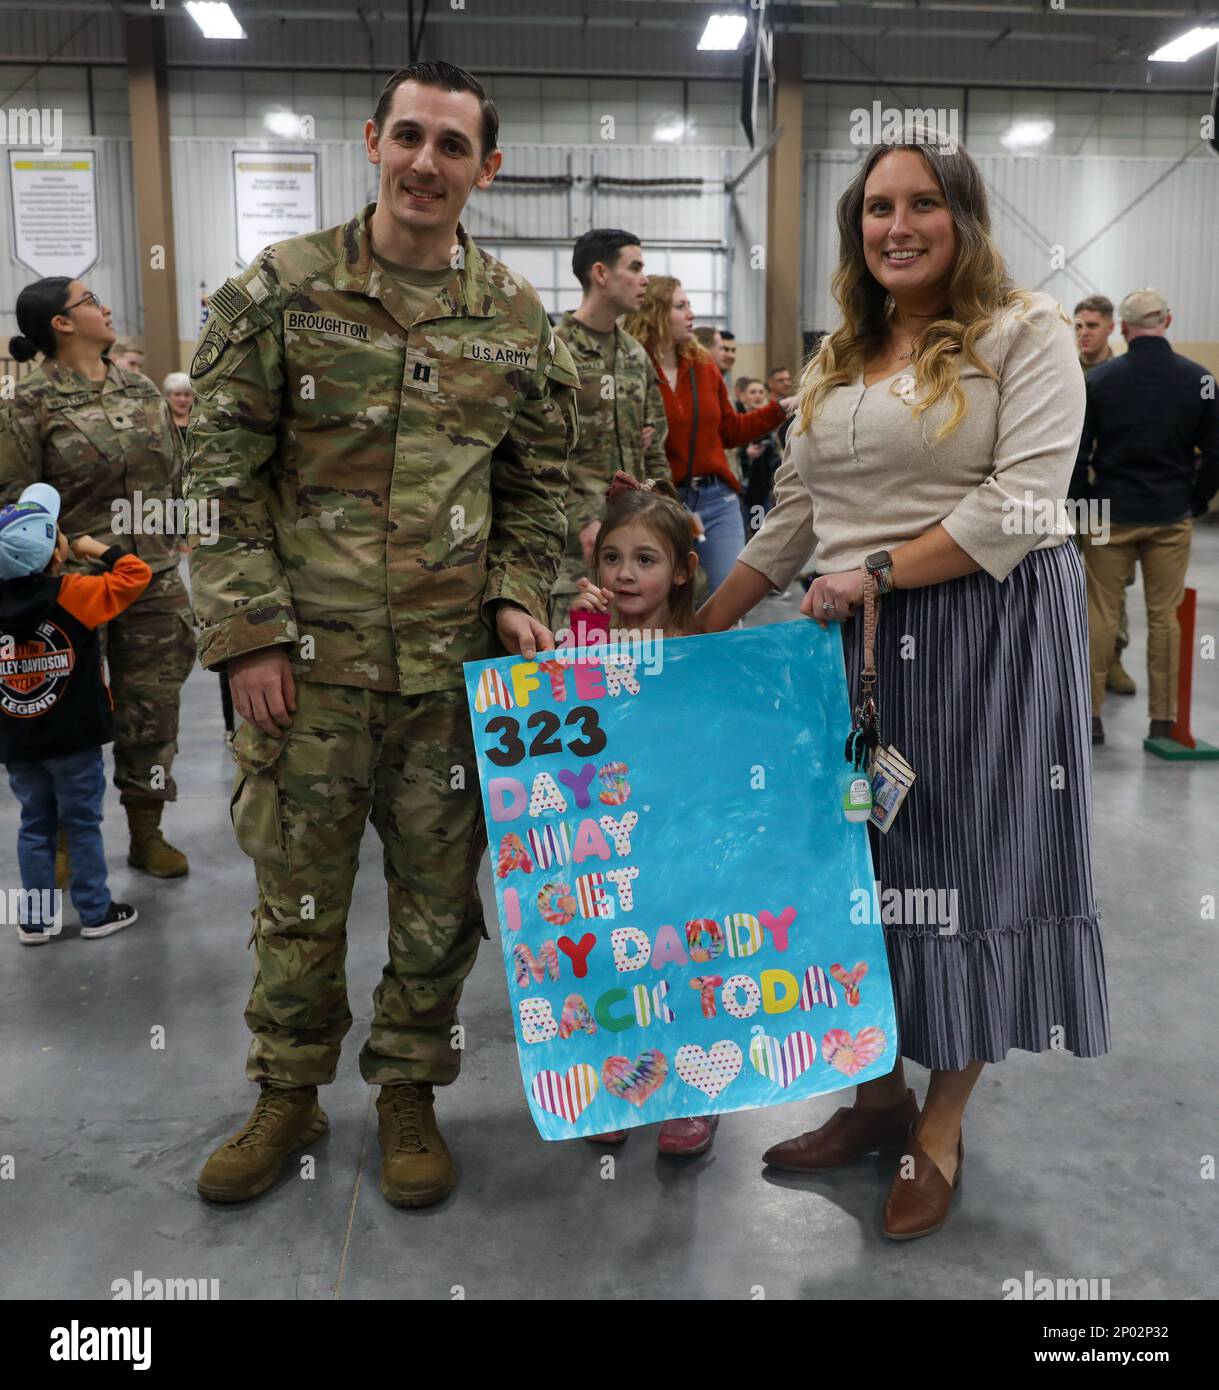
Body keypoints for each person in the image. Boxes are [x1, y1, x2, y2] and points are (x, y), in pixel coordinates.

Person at [698, 125, 1110, 1241]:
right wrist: (698, 631)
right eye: (877, 209)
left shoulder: (1023, 332)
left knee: (967, 868)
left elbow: (1025, 504)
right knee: (850, 871)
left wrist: (875, 569)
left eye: (921, 203)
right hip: (850, 640)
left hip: (986, 632)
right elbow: (793, 518)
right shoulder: (843, 353)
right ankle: (874, 1097)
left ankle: (941, 1123)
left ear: (961, 217)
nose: (897, 226)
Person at [186, 60, 578, 1210]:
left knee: (437, 898)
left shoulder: (512, 318)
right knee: (297, 892)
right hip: (303, 673)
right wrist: (251, 633)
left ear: (484, 168)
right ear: (372, 141)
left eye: (452, 146)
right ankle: (288, 1087)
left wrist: (518, 594)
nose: (426, 163)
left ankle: (409, 1086)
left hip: (451, 678)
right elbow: (216, 477)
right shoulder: (280, 290)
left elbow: (538, 482)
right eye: (409, 136)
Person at [0, 278, 194, 882]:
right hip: (69, 587)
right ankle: (62, 838)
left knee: (153, 707)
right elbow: (12, 499)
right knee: (62, 709)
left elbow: (174, 471)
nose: (105, 308)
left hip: (152, 578)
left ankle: (146, 831)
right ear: (61, 323)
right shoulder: (26, 404)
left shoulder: (139, 387)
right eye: (90, 303)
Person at [569, 473, 718, 1154]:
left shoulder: (699, 649)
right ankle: (624, 1081)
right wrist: (582, 633)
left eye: (645, 560)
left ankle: (691, 1087)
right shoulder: (584, 640)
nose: (625, 575)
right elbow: (562, 722)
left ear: (683, 572)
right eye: (611, 559)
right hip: (606, 844)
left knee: (682, 962)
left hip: (680, 843)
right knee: (612, 961)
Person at [1, 483, 150, 943]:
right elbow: (136, 574)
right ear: (56, 556)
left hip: (18, 743)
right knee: (82, 823)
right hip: (75, 740)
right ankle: (95, 911)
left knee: (34, 823)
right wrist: (100, 549)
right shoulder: (75, 592)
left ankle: (36, 919)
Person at [1073, 288, 1219, 745]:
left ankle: (1090, 719)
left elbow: (1077, 454)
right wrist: (1196, 500)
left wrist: (1082, 504)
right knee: (1165, 617)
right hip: (1169, 515)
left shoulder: (1100, 381)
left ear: (1122, 328)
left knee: (1099, 614)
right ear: (1169, 321)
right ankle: (1163, 721)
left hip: (1109, 514)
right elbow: (1215, 453)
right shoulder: (1201, 380)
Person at [625, 278, 787, 593]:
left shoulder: (703, 366)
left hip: (717, 501)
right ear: (655, 312)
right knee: (663, 604)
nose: (691, 314)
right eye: (681, 306)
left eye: (690, 306)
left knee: (722, 602)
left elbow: (730, 431)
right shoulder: (630, 367)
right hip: (658, 501)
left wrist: (779, 409)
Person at [550, 228, 669, 633]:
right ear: (600, 273)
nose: (645, 279)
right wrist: (582, 520)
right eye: (634, 267)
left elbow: (655, 450)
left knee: (640, 680)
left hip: (639, 557)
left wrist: (667, 516)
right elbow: (536, 456)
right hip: (574, 561)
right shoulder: (554, 351)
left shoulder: (636, 356)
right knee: (579, 681)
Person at [1073, 294, 1134, 698]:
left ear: (1111, 327)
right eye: (1077, 326)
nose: (1083, 334)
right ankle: (1070, 657)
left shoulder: (1122, 374)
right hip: (1063, 491)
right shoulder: (1063, 370)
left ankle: (1112, 657)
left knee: (1110, 583)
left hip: (1105, 492)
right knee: (1062, 573)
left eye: (1091, 326)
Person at [736, 379, 782, 541]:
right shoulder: (735, 421)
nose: (757, 396)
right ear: (743, 397)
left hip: (760, 494)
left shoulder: (769, 424)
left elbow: (776, 459)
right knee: (739, 538)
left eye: (761, 392)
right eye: (753, 392)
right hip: (739, 494)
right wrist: (745, 454)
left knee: (760, 538)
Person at [162, 372, 194, 446]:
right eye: (177, 394)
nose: (182, 399)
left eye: (187, 395)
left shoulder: (201, 423)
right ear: (167, 397)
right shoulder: (160, 423)